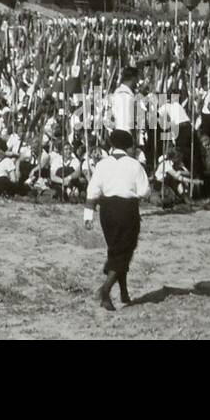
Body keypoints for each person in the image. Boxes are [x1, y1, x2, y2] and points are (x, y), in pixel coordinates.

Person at [84, 129, 149, 310]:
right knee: (125, 250)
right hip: (127, 209)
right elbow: (144, 192)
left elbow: (93, 190)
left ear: (112, 145)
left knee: (116, 249)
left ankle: (124, 292)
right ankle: (105, 289)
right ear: (129, 147)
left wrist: (88, 215)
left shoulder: (103, 165)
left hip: (107, 211)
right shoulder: (135, 165)